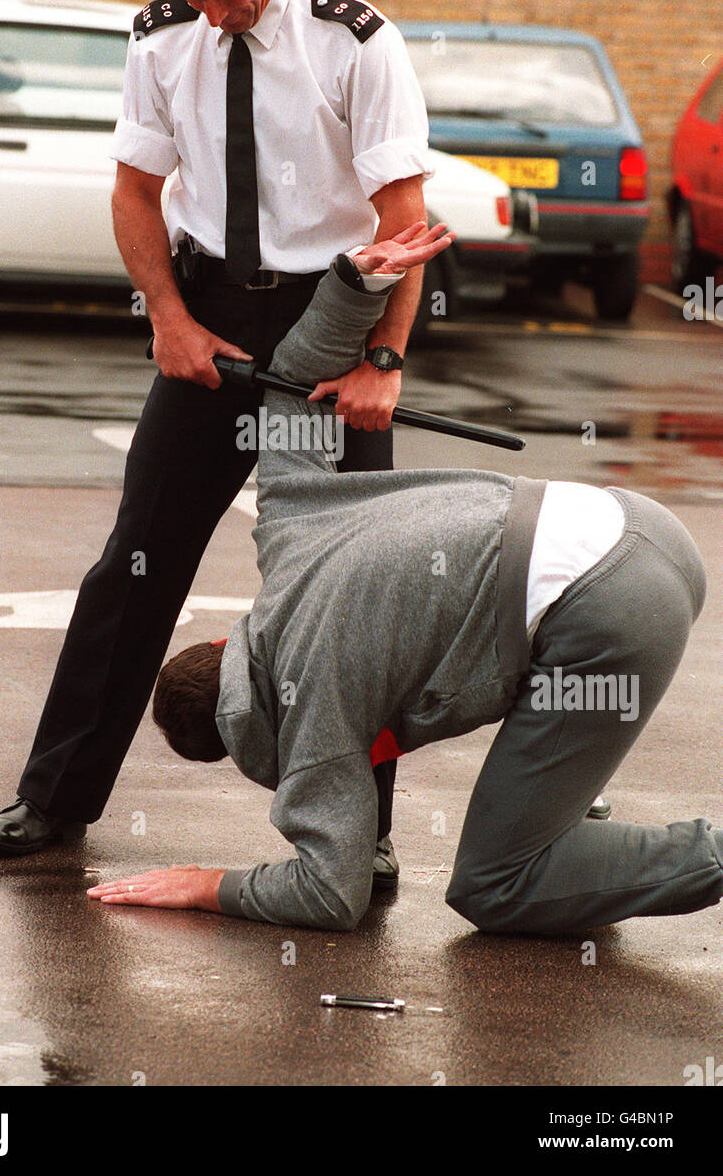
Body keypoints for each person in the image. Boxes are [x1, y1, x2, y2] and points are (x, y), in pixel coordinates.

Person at [0, 0, 436, 882]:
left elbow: (403, 219)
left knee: (347, 591)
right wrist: (169, 320)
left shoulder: (355, 40)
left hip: (332, 313)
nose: (214, 14)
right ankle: (53, 799)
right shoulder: (158, 37)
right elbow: (136, 191)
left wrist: (383, 362)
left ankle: (363, 822)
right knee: (133, 564)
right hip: (210, 315)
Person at [86, 221, 721, 934]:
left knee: (494, 886)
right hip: (644, 530)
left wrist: (209, 885)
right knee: (499, 665)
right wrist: (358, 284)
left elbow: (331, 894)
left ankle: (648, 850)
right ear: (218, 647)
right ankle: (570, 821)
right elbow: (291, 390)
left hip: (611, 607)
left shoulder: (310, 721)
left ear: (244, 746)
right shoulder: (289, 535)